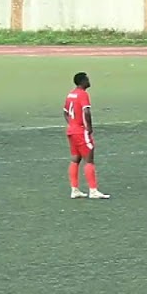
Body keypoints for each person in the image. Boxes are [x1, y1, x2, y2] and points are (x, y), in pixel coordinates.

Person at [63, 72, 110, 200]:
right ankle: (93, 190)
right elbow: (86, 111)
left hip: (71, 131)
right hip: (81, 131)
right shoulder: (83, 94)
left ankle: (74, 189)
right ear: (82, 81)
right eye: (87, 79)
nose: (89, 81)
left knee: (75, 159)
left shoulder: (70, 94)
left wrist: (72, 124)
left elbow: (65, 112)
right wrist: (88, 127)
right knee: (89, 160)